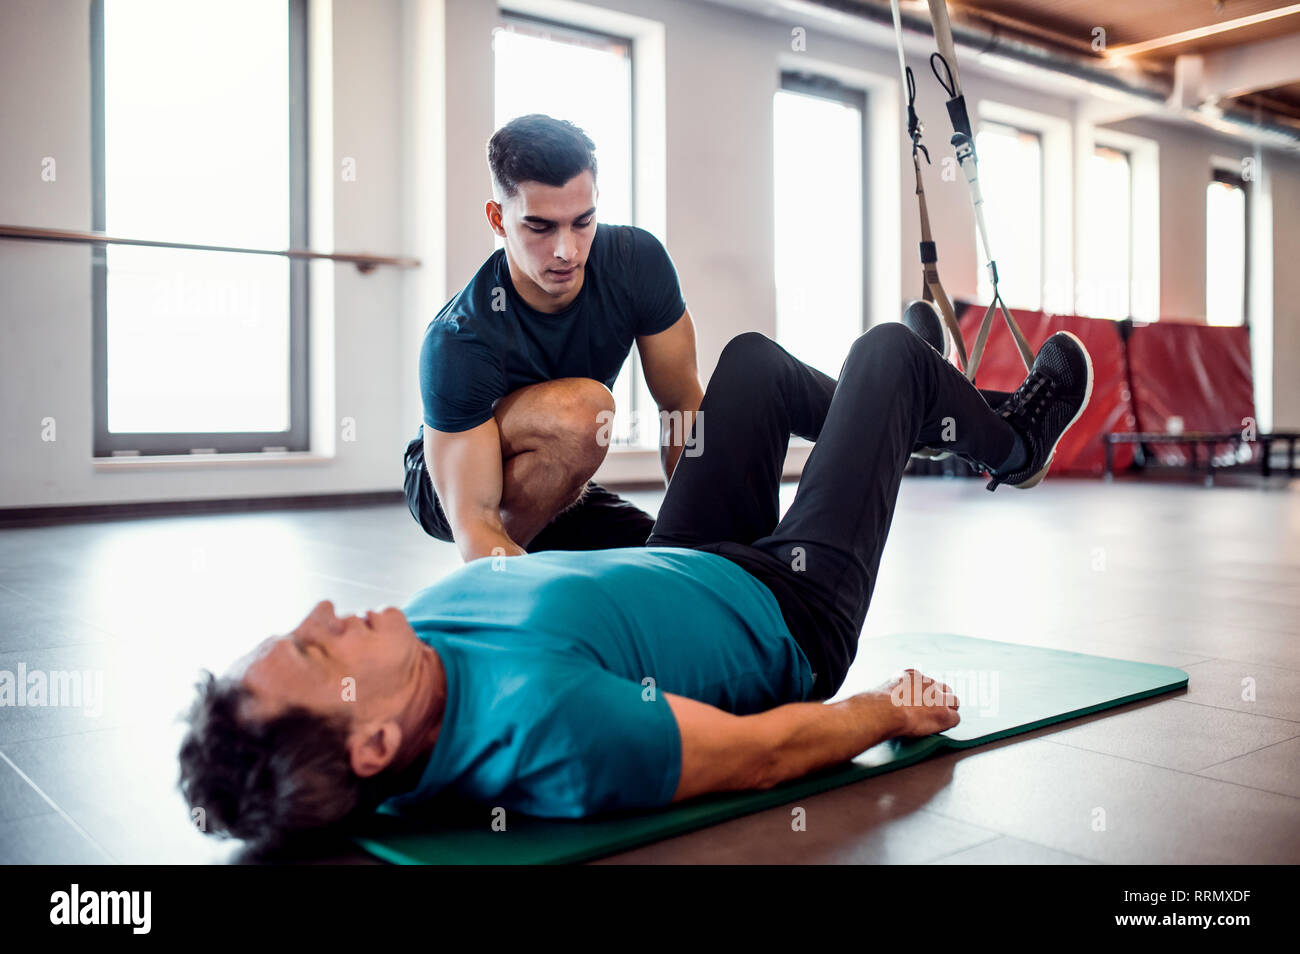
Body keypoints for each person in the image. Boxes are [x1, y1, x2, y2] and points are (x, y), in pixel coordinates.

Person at [179, 321, 1093, 847]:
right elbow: (761, 755)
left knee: (754, 368)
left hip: (686, 553)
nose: (324, 613)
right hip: (787, 611)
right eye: (313, 647)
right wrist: (886, 711)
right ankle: (1011, 445)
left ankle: (916, 420)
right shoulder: (546, 730)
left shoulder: (413, 654)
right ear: (374, 743)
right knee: (890, 353)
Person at [404, 113, 704, 562]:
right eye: (540, 227)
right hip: (451, 479)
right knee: (585, 412)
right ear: (498, 219)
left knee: (661, 562)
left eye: (583, 222)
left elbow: (683, 408)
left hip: (559, 469)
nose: (567, 250)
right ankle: (505, 575)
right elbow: (476, 522)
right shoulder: (459, 339)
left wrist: (694, 545)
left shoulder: (637, 262)